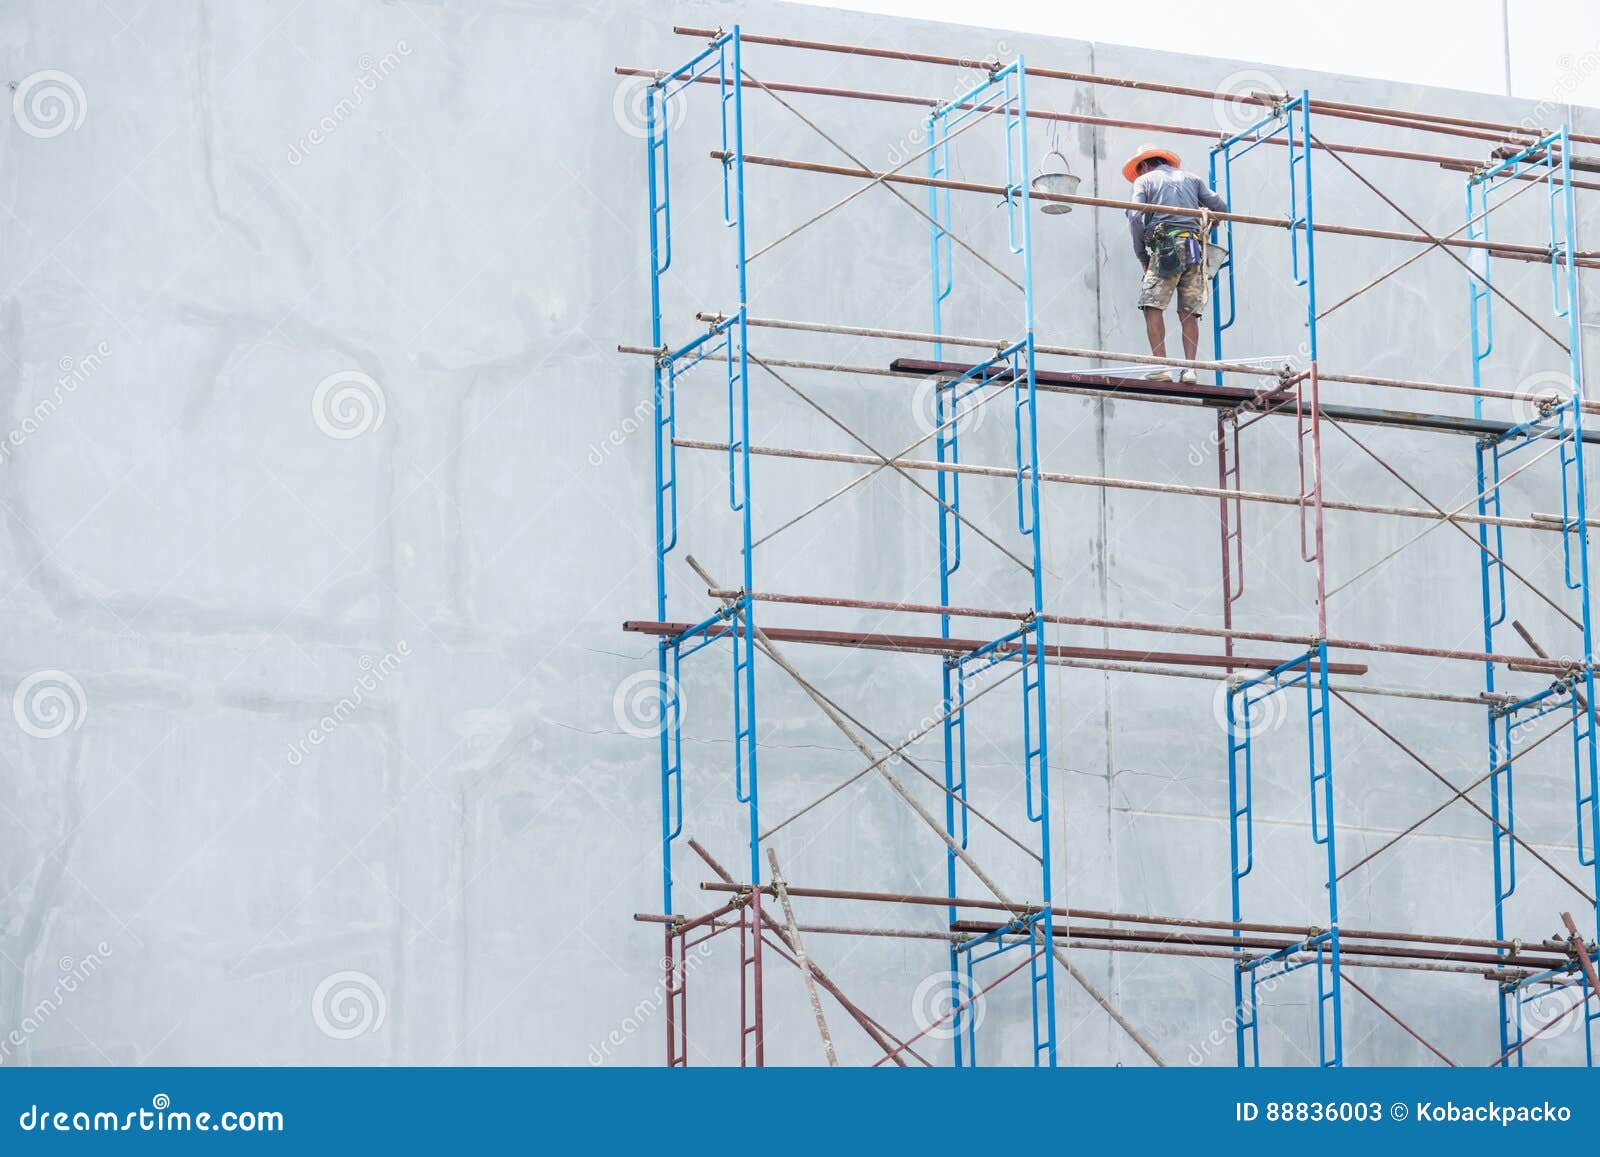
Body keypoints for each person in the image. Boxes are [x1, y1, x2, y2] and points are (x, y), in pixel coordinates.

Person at [1123, 144, 1229, 383]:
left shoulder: (1145, 180)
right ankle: (1190, 369)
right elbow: (1221, 207)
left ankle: (1162, 366)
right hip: (1194, 250)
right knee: (1188, 312)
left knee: (1152, 305)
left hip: (1167, 247)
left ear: (1145, 165)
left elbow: (1135, 216)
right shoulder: (1192, 178)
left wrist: (1142, 255)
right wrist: (1211, 220)